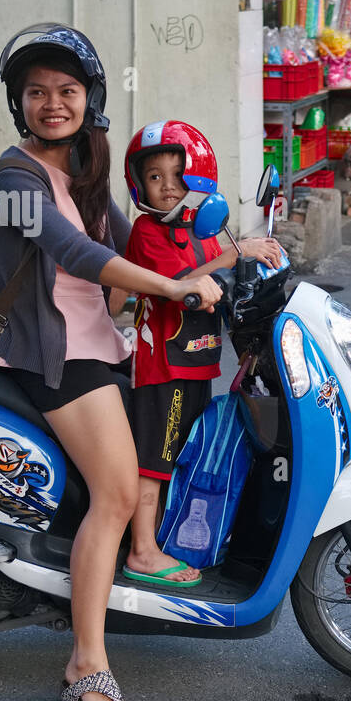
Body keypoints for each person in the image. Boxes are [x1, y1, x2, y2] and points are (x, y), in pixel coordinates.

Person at [0, 24, 221, 701]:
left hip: (101, 344)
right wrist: (174, 290)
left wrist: (229, 252)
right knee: (118, 491)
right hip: (54, 357)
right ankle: (84, 662)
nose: (52, 104)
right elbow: (79, 254)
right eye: (36, 93)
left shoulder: (81, 170)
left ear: (90, 99)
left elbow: (132, 238)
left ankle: (133, 557)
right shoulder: (11, 178)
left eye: (67, 91)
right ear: (17, 103)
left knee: (164, 428)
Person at [121, 120, 283, 587]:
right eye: (155, 177)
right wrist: (234, 257)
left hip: (197, 361)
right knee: (155, 458)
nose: (168, 187)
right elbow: (183, 286)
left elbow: (224, 277)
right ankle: (142, 552)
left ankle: (162, 537)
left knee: (182, 452)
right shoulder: (147, 233)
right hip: (163, 365)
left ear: (199, 175)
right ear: (139, 184)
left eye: (177, 174)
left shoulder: (204, 226)